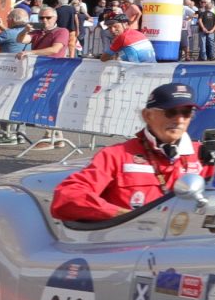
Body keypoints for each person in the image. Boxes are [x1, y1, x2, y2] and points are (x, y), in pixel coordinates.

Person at [51, 82, 204, 222]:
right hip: (134, 243)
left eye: (186, 113)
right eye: (171, 112)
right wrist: (123, 216)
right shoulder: (116, 155)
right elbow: (67, 196)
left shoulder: (204, 155)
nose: (179, 120)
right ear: (148, 115)